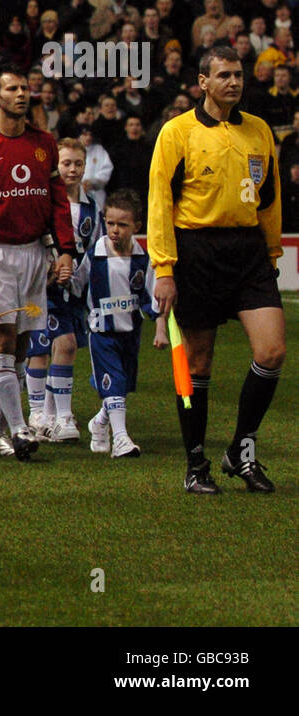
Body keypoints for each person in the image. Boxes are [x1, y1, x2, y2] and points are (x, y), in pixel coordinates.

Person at [148, 45, 286, 494]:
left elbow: (269, 198)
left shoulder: (260, 131)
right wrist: (164, 267)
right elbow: (160, 203)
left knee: (272, 352)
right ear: (202, 83)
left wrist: (272, 254)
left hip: (249, 253)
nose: (233, 82)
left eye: (238, 75)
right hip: (197, 252)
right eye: (223, 75)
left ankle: (240, 451)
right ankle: (195, 464)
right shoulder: (177, 132)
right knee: (197, 362)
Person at [0, 70, 75, 460]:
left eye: (24, 89)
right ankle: (20, 429)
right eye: (11, 89)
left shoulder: (44, 143)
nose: (20, 94)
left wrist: (64, 249)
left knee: (23, 346)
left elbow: (58, 201)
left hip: (34, 254)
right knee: (1, 339)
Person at [71, 189, 165, 461]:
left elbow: (153, 297)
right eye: (110, 223)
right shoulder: (95, 254)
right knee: (114, 383)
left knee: (121, 386)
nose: (114, 230)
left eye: (122, 225)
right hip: (101, 332)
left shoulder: (143, 259)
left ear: (136, 226)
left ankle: (99, 423)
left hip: (130, 333)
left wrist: (160, 330)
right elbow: (77, 285)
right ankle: (121, 439)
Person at [24, 137, 99, 443]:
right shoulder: (45, 201)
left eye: (78, 163)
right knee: (46, 348)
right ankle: (39, 413)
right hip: (45, 286)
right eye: (66, 163)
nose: (72, 169)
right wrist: (49, 271)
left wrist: (80, 278)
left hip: (74, 289)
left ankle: (53, 416)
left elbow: (93, 248)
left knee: (64, 348)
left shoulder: (90, 206)